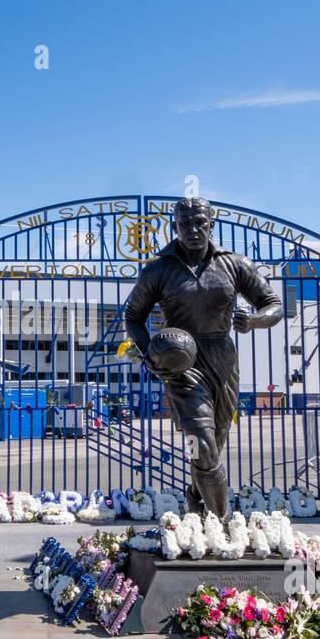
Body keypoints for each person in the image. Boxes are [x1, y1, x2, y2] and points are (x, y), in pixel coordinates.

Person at [124, 197, 284, 518]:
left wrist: (253, 320)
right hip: (181, 365)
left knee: (216, 439)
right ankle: (222, 525)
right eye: (186, 223)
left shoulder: (235, 264)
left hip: (223, 360)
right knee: (203, 441)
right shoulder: (159, 269)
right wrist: (150, 355)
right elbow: (133, 316)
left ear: (211, 224)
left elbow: (274, 306)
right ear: (175, 226)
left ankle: (197, 503)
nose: (193, 230)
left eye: (200, 223)